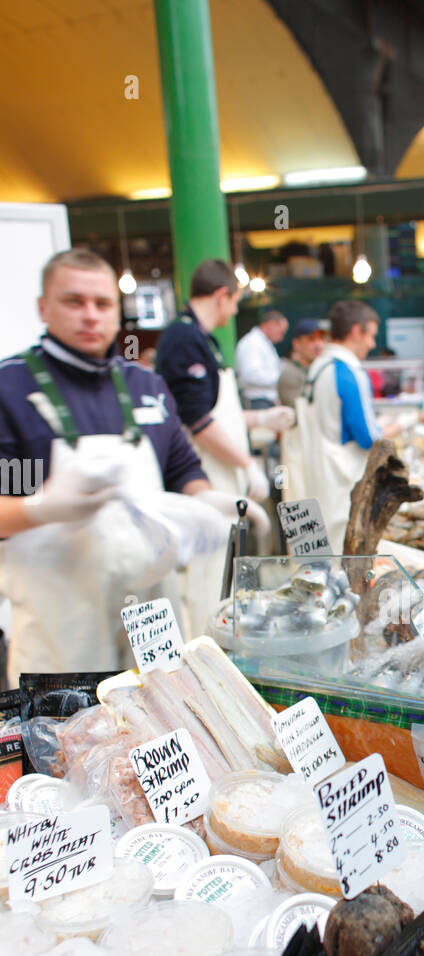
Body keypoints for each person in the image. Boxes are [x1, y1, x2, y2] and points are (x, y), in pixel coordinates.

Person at [0, 248, 265, 680]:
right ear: (43, 307)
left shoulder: (146, 386)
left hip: (150, 621)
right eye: (74, 301)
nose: (90, 315)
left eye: (102, 304)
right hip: (62, 632)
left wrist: (208, 501)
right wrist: (40, 508)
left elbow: (181, 470)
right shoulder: (12, 392)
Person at [156, 260, 292, 499]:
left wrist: (262, 418)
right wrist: (247, 463)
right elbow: (197, 421)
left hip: (221, 470)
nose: (235, 311)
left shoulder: (206, 340)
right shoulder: (182, 338)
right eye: (235, 302)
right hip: (202, 476)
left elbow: (216, 414)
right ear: (221, 296)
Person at [296, 300, 390, 552]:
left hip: (316, 479)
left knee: (319, 554)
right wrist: (397, 427)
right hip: (341, 481)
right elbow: (368, 437)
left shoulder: (317, 367)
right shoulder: (348, 371)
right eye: (370, 336)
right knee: (342, 556)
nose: (372, 344)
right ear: (356, 331)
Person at [234, 310, 289, 409]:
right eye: (281, 332)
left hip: (268, 401)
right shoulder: (251, 342)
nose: (281, 337)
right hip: (256, 401)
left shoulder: (264, 343)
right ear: (271, 324)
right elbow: (251, 374)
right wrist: (281, 378)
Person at [278, 318, 327, 409]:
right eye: (311, 339)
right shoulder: (290, 374)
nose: (319, 345)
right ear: (296, 344)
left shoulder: (321, 369)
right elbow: (304, 411)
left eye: (321, 339)